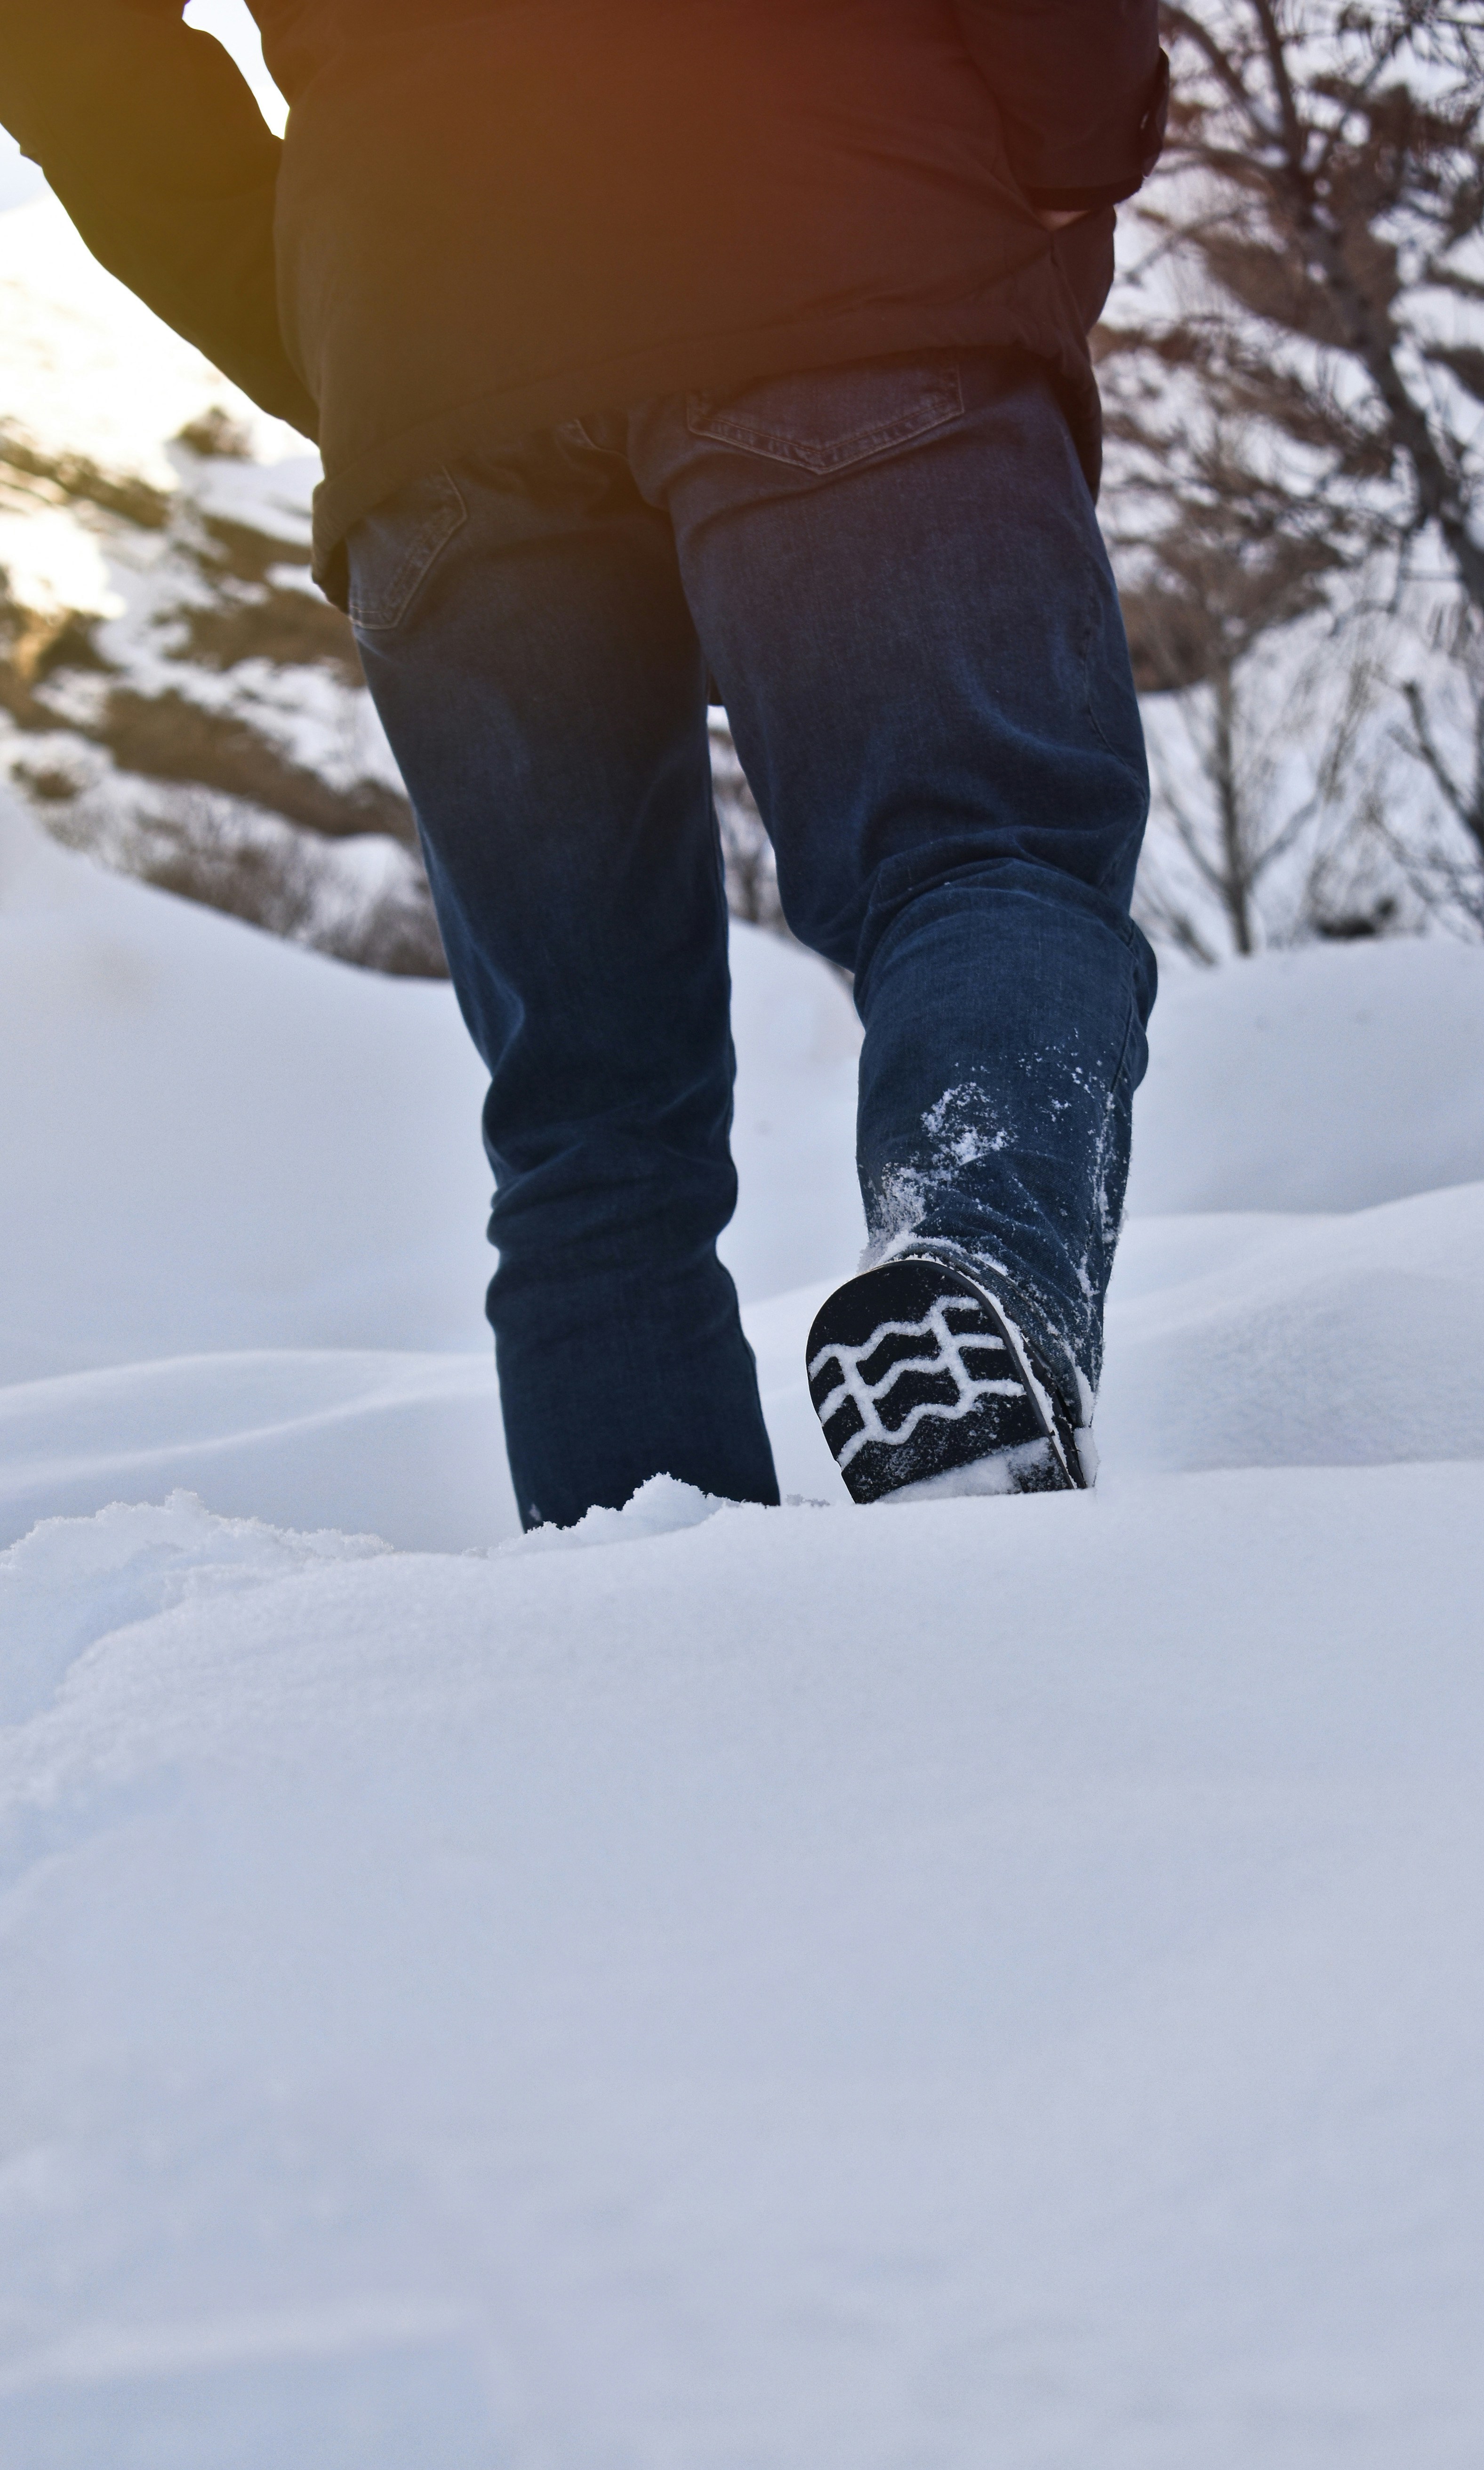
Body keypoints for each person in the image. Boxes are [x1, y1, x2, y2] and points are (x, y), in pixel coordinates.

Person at [1, 0, 1168, 1520]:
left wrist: (327, 303)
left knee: (589, 1117)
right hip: (844, 242)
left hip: (430, 340)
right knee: (981, 858)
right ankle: (980, 1271)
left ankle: (647, 1656)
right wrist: (1075, 147)